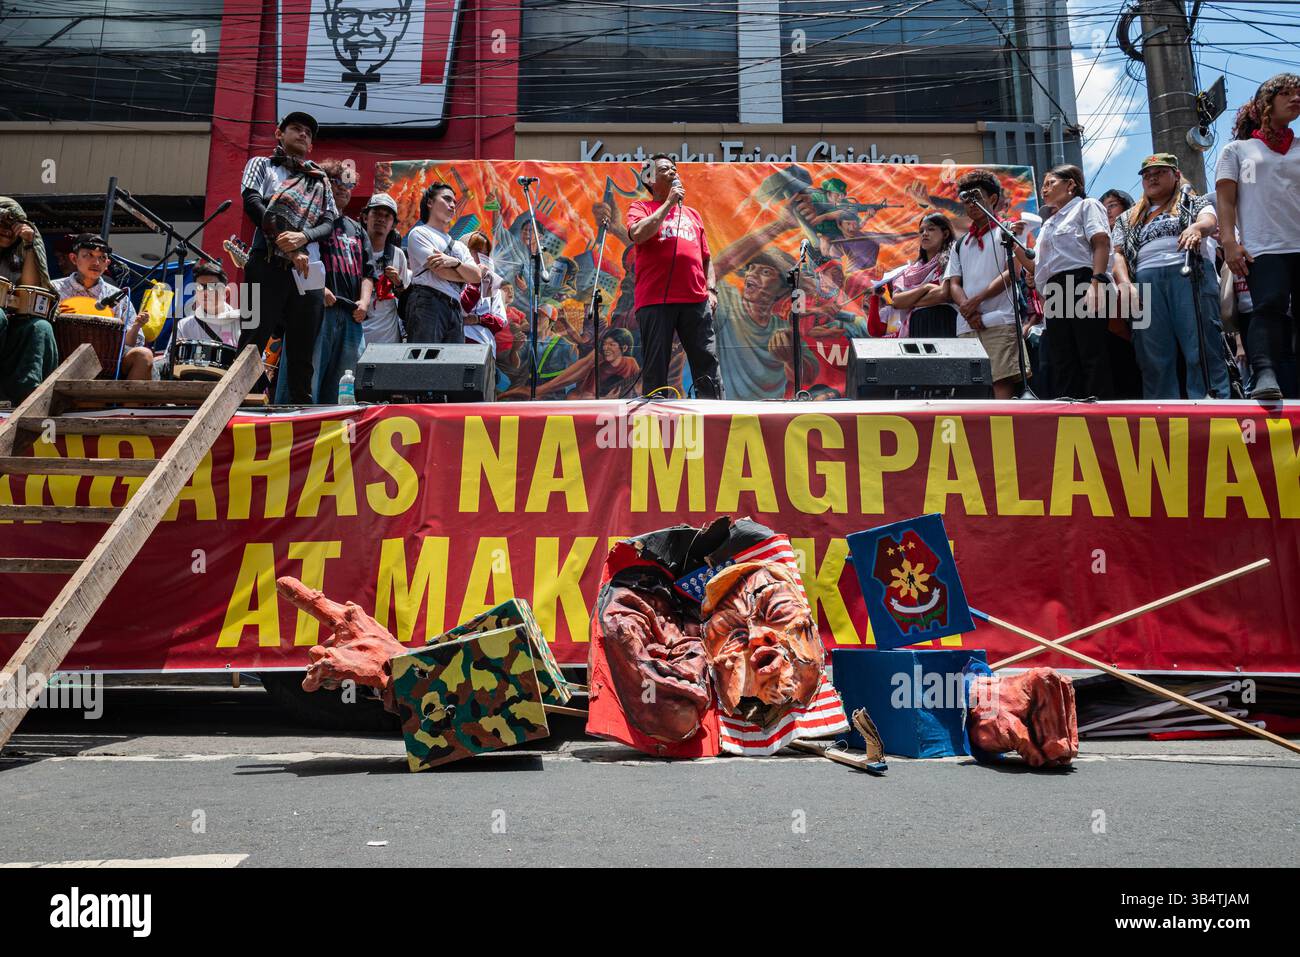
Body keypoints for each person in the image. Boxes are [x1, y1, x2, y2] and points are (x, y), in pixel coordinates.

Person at [238, 111, 338, 403]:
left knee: (303, 349)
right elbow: (252, 203)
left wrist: (304, 238)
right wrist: (290, 247)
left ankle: (300, 413)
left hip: (308, 272)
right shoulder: (261, 164)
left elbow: (329, 222)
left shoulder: (320, 180)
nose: (303, 134)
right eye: (295, 128)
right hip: (263, 262)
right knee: (252, 340)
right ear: (279, 134)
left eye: (308, 132)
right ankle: (244, 406)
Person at [1112, 154, 1229, 400]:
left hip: (1189, 274)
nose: (1151, 178)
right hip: (1144, 283)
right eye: (1146, 175)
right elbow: (1118, 255)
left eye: (1159, 172)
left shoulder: (1192, 202)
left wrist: (1197, 228)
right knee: (1152, 356)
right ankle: (1161, 414)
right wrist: (1124, 284)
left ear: (1176, 175)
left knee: (1202, 347)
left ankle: (1212, 405)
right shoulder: (1127, 217)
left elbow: (1209, 220)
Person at [1216, 72, 1300, 400]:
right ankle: (1264, 374)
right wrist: (1229, 243)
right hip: (1264, 245)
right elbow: (1225, 199)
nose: (1296, 99)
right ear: (1266, 102)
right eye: (1287, 94)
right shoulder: (1238, 150)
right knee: (1269, 305)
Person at [626, 153, 722, 398]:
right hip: (656, 300)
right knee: (657, 364)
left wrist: (711, 289)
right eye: (666, 169)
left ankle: (715, 414)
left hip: (695, 299)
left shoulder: (692, 215)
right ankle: (655, 418)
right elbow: (637, 234)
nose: (673, 172)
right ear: (649, 178)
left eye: (675, 169)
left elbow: (706, 258)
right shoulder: (641, 208)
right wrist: (668, 204)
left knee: (706, 361)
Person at [1016, 164, 1115, 399]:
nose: (1044, 190)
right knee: (1062, 355)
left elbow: (1100, 243)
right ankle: (1070, 409)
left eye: (1050, 183)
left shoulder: (1085, 206)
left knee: (1091, 351)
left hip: (1082, 280)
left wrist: (1097, 282)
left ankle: (1100, 410)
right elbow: (1036, 266)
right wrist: (1017, 239)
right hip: (1054, 289)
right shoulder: (1048, 223)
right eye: (1043, 186)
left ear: (1071, 185)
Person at [943, 170, 1028, 399]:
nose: (971, 203)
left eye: (976, 196)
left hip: (1000, 318)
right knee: (971, 389)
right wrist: (968, 310)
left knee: (1001, 383)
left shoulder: (1009, 231)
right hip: (967, 324)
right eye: (966, 198)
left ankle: (1001, 433)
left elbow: (1014, 271)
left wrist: (977, 302)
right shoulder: (960, 244)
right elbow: (954, 283)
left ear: (993, 199)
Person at [306, 159, 374, 404]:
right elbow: (299, 257)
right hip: (318, 311)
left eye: (350, 184)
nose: (344, 188)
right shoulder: (311, 220)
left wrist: (364, 303)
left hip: (351, 316)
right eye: (338, 181)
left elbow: (368, 272)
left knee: (347, 387)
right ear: (324, 183)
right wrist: (318, 287)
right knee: (310, 379)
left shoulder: (357, 229)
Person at [52, 234, 153, 381]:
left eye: (102, 258)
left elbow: (130, 344)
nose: (96, 262)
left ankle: (128, 404)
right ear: (74, 258)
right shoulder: (55, 289)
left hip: (107, 362)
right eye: (89, 255)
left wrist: (137, 325)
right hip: (63, 358)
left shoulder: (118, 296)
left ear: (107, 264)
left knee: (144, 355)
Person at [405, 182, 481, 343]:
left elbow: (477, 276)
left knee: (452, 365)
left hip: (455, 308)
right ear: (430, 202)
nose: (453, 205)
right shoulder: (419, 233)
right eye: (447, 199)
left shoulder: (459, 245)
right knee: (424, 362)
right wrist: (464, 274)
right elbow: (440, 270)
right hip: (428, 302)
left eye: (454, 201)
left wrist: (455, 263)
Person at [0, 197, 58, 401]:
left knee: (40, 327)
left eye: (12, 226)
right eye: (2, 223)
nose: (8, 230)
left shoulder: (18, 255)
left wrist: (29, 244)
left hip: (11, 323)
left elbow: (29, 290)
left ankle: (29, 396)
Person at [868, 212, 957, 338]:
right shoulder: (910, 271)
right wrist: (925, 288)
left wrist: (909, 301)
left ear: (945, 234)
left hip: (942, 322)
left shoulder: (953, 260)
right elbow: (897, 301)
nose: (925, 233)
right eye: (921, 231)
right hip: (916, 326)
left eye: (931, 229)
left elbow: (943, 294)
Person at [360, 192, 408, 345]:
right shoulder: (353, 249)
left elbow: (405, 298)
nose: (381, 219)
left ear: (393, 224)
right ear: (365, 217)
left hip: (387, 336)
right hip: (354, 330)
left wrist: (398, 283)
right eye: (376, 213)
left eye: (387, 216)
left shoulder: (397, 254)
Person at [460, 231, 508, 359]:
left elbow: (500, 321)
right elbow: (462, 310)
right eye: (476, 250)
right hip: (457, 344)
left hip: (484, 348)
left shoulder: (492, 284)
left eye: (485, 253)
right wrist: (475, 280)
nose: (481, 256)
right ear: (463, 250)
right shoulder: (452, 278)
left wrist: (478, 319)